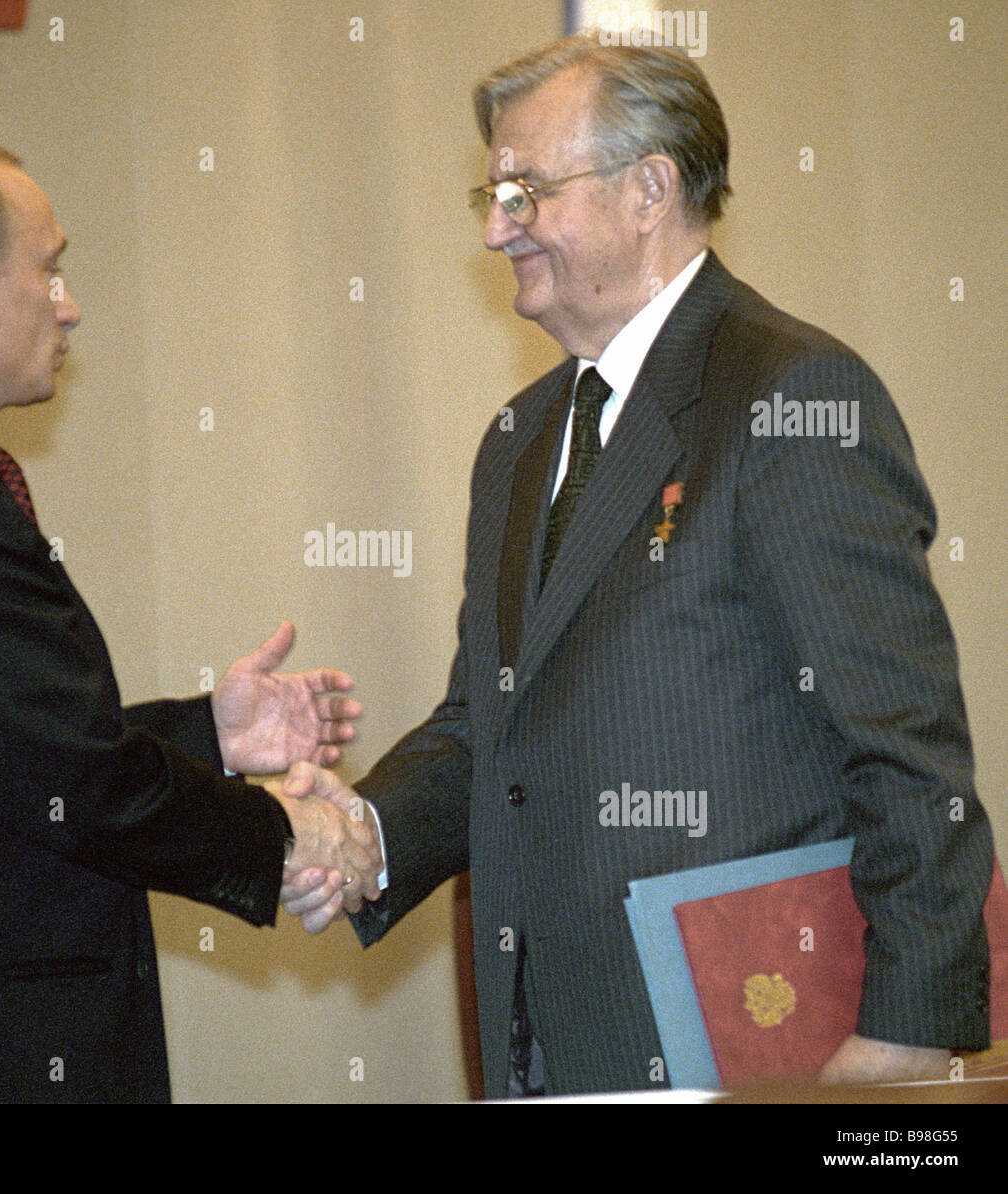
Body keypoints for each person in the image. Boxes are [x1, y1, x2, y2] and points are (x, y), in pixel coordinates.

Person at [281, 33, 994, 1097]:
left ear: (648, 188)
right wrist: (365, 833)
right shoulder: (520, 440)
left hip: (751, 1038)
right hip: (546, 1042)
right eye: (491, 191)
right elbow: (490, 720)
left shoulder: (786, 393)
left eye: (524, 191)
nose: (492, 227)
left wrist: (910, 1029)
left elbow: (904, 748)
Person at [0, 134, 381, 1103]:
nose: (70, 303)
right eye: (47, 270)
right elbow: (73, 780)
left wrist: (207, 731)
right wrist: (284, 833)